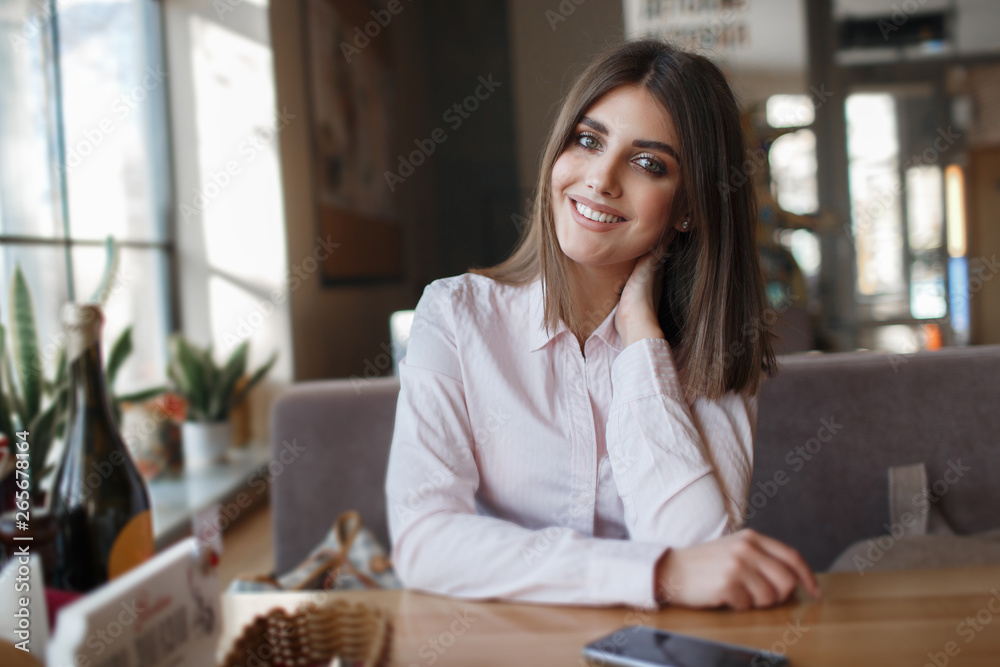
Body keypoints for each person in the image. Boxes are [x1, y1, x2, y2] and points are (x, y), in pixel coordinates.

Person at [384, 39, 821, 610]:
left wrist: (642, 338)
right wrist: (658, 576)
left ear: (689, 206)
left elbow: (699, 553)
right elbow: (423, 541)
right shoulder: (454, 316)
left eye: (648, 163)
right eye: (588, 140)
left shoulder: (715, 346)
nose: (600, 178)